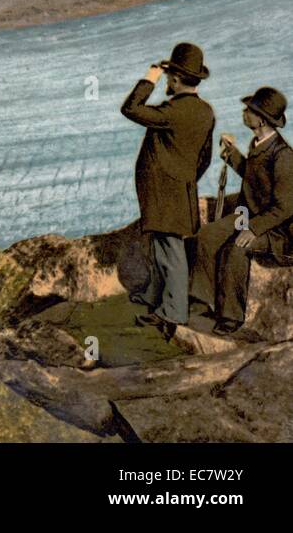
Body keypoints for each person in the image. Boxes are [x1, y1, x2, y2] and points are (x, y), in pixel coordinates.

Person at [120, 42, 215, 340]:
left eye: (168, 77)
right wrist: (186, 178)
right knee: (162, 246)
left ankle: (173, 312)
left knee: (170, 252)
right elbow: (205, 157)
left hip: (164, 192)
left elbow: (130, 108)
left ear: (174, 79)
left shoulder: (171, 111)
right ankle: (153, 295)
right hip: (179, 188)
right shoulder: (205, 112)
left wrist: (149, 78)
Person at [190, 87, 293, 335]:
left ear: (261, 120)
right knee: (207, 236)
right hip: (251, 216)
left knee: (236, 248)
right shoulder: (259, 144)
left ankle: (230, 318)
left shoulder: (284, 156)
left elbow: (286, 207)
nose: (244, 113)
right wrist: (232, 154)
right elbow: (253, 177)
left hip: (279, 232)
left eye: (249, 110)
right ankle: (202, 300)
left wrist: (253, 229)